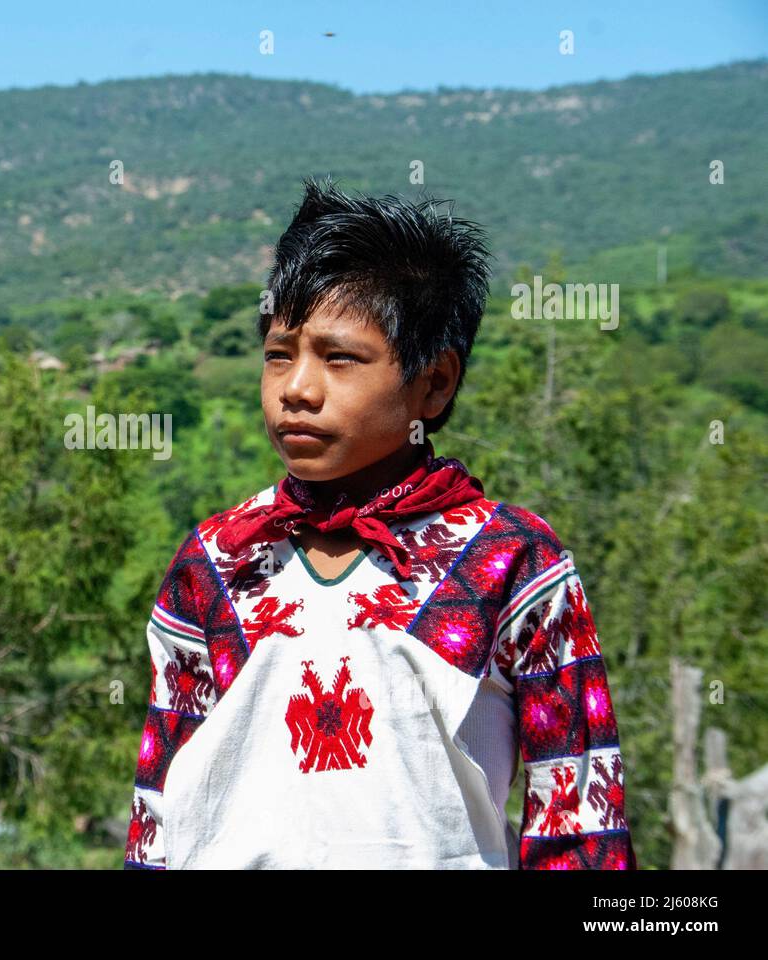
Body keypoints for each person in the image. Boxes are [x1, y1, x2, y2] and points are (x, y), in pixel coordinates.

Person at [122, 178, 638, 870]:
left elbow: (579, 815)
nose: (296, 389)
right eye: (280, 353)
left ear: (435, 383)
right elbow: (159, 808)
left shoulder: (511, 562)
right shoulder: (218, 562)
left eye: (340, 358)